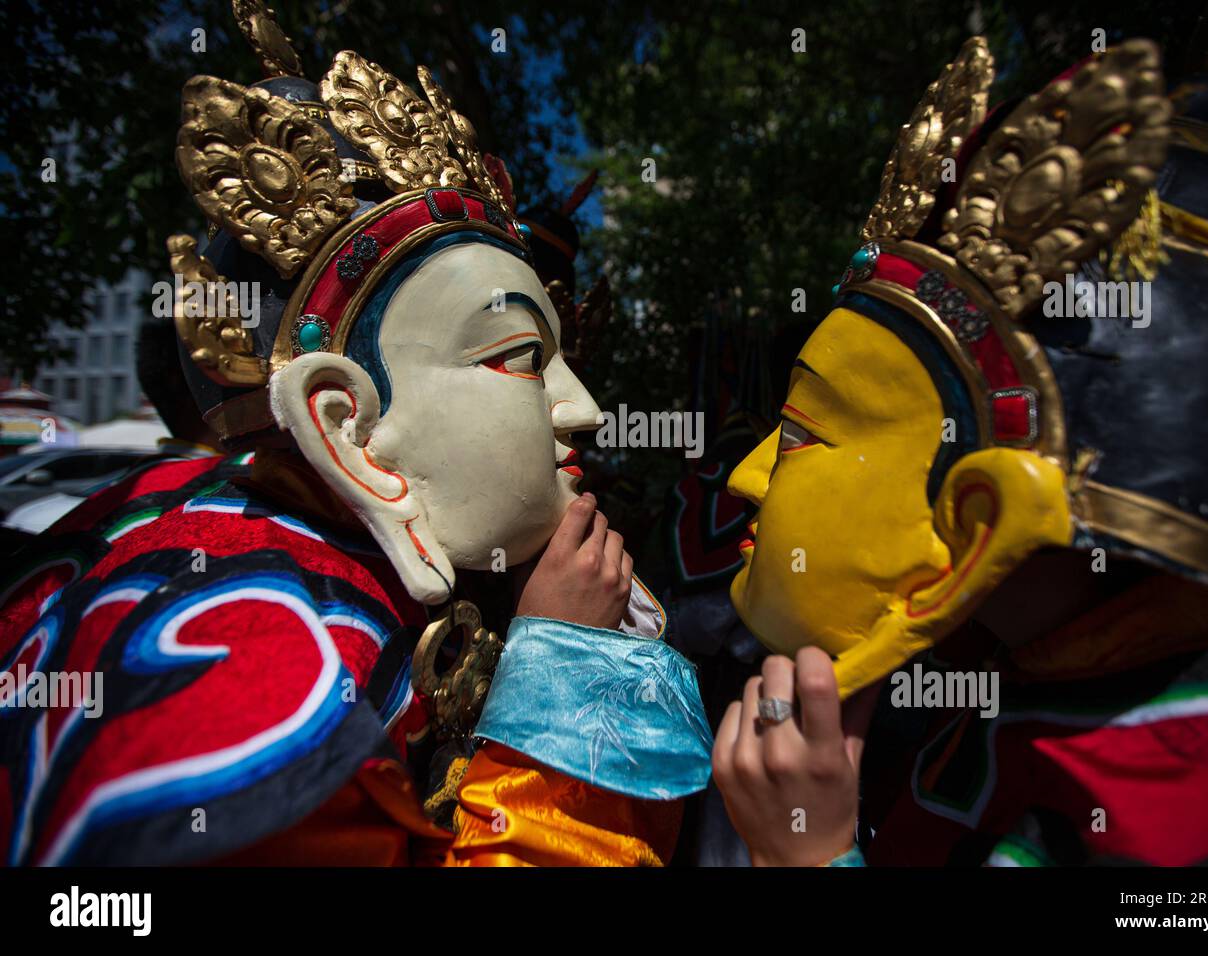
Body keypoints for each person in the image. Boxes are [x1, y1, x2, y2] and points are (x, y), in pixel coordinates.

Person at [0, 0, 710, 866]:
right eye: (524, 357)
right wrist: (565, 688)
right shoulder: (249, 662)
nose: (586, 409)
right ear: (347, 429)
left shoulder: (314, 550)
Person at [713, 35, 1208, 865]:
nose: (743, 475)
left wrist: (805, 854)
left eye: (806, 433)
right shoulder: (1003, 681)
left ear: (974, 529)